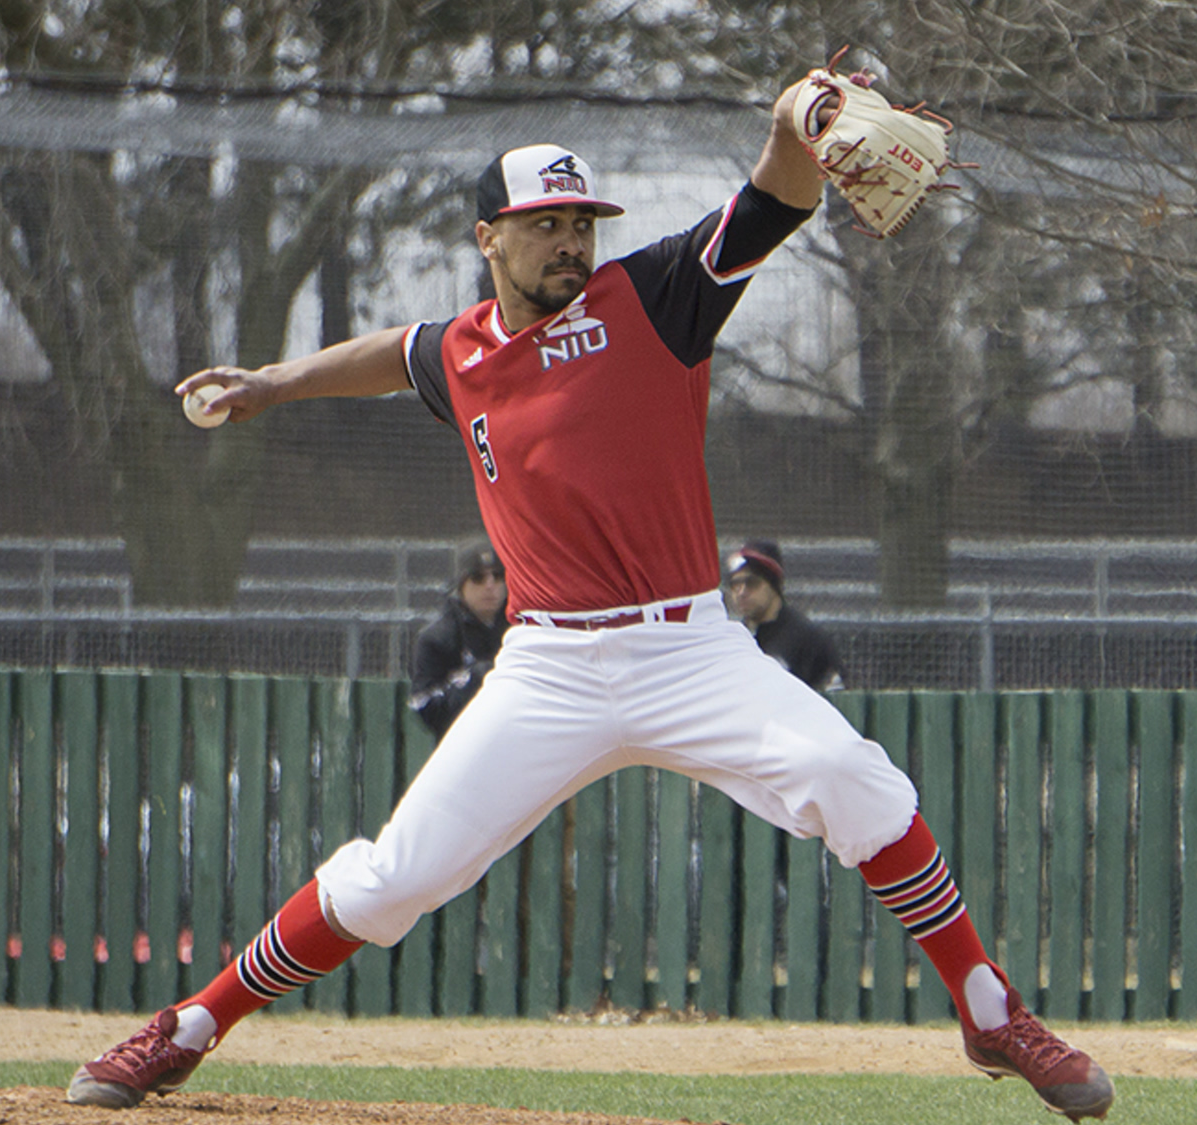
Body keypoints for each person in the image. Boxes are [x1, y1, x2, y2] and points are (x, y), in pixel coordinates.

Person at [68, 73, 1114, 1123]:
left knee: (847, 773)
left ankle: (987, 1010)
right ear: (490, 238)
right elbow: (395, 354)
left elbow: (772, 201)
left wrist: (792, 123)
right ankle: (188, 1027)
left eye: (581, 223)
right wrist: (274, 383)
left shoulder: (655, 296)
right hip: (548, 668)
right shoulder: (463, 352)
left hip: (685, 649)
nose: (571, 244)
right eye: (545, 226)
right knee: (391, 879)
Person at [409, 540, 510, 738]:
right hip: (464, 744)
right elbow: (425, 706)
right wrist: (474, 679)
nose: (490, 586)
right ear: (461, 584)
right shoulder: (438, 638)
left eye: (497, 576)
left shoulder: (521, 630)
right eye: (478, 578)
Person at [725, 538, 843, 691]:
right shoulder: (736, 639)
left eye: (752, 583)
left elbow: (836, 698)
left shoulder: (809, 639)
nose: (741, 592)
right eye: (735, 584)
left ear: (774, 586)